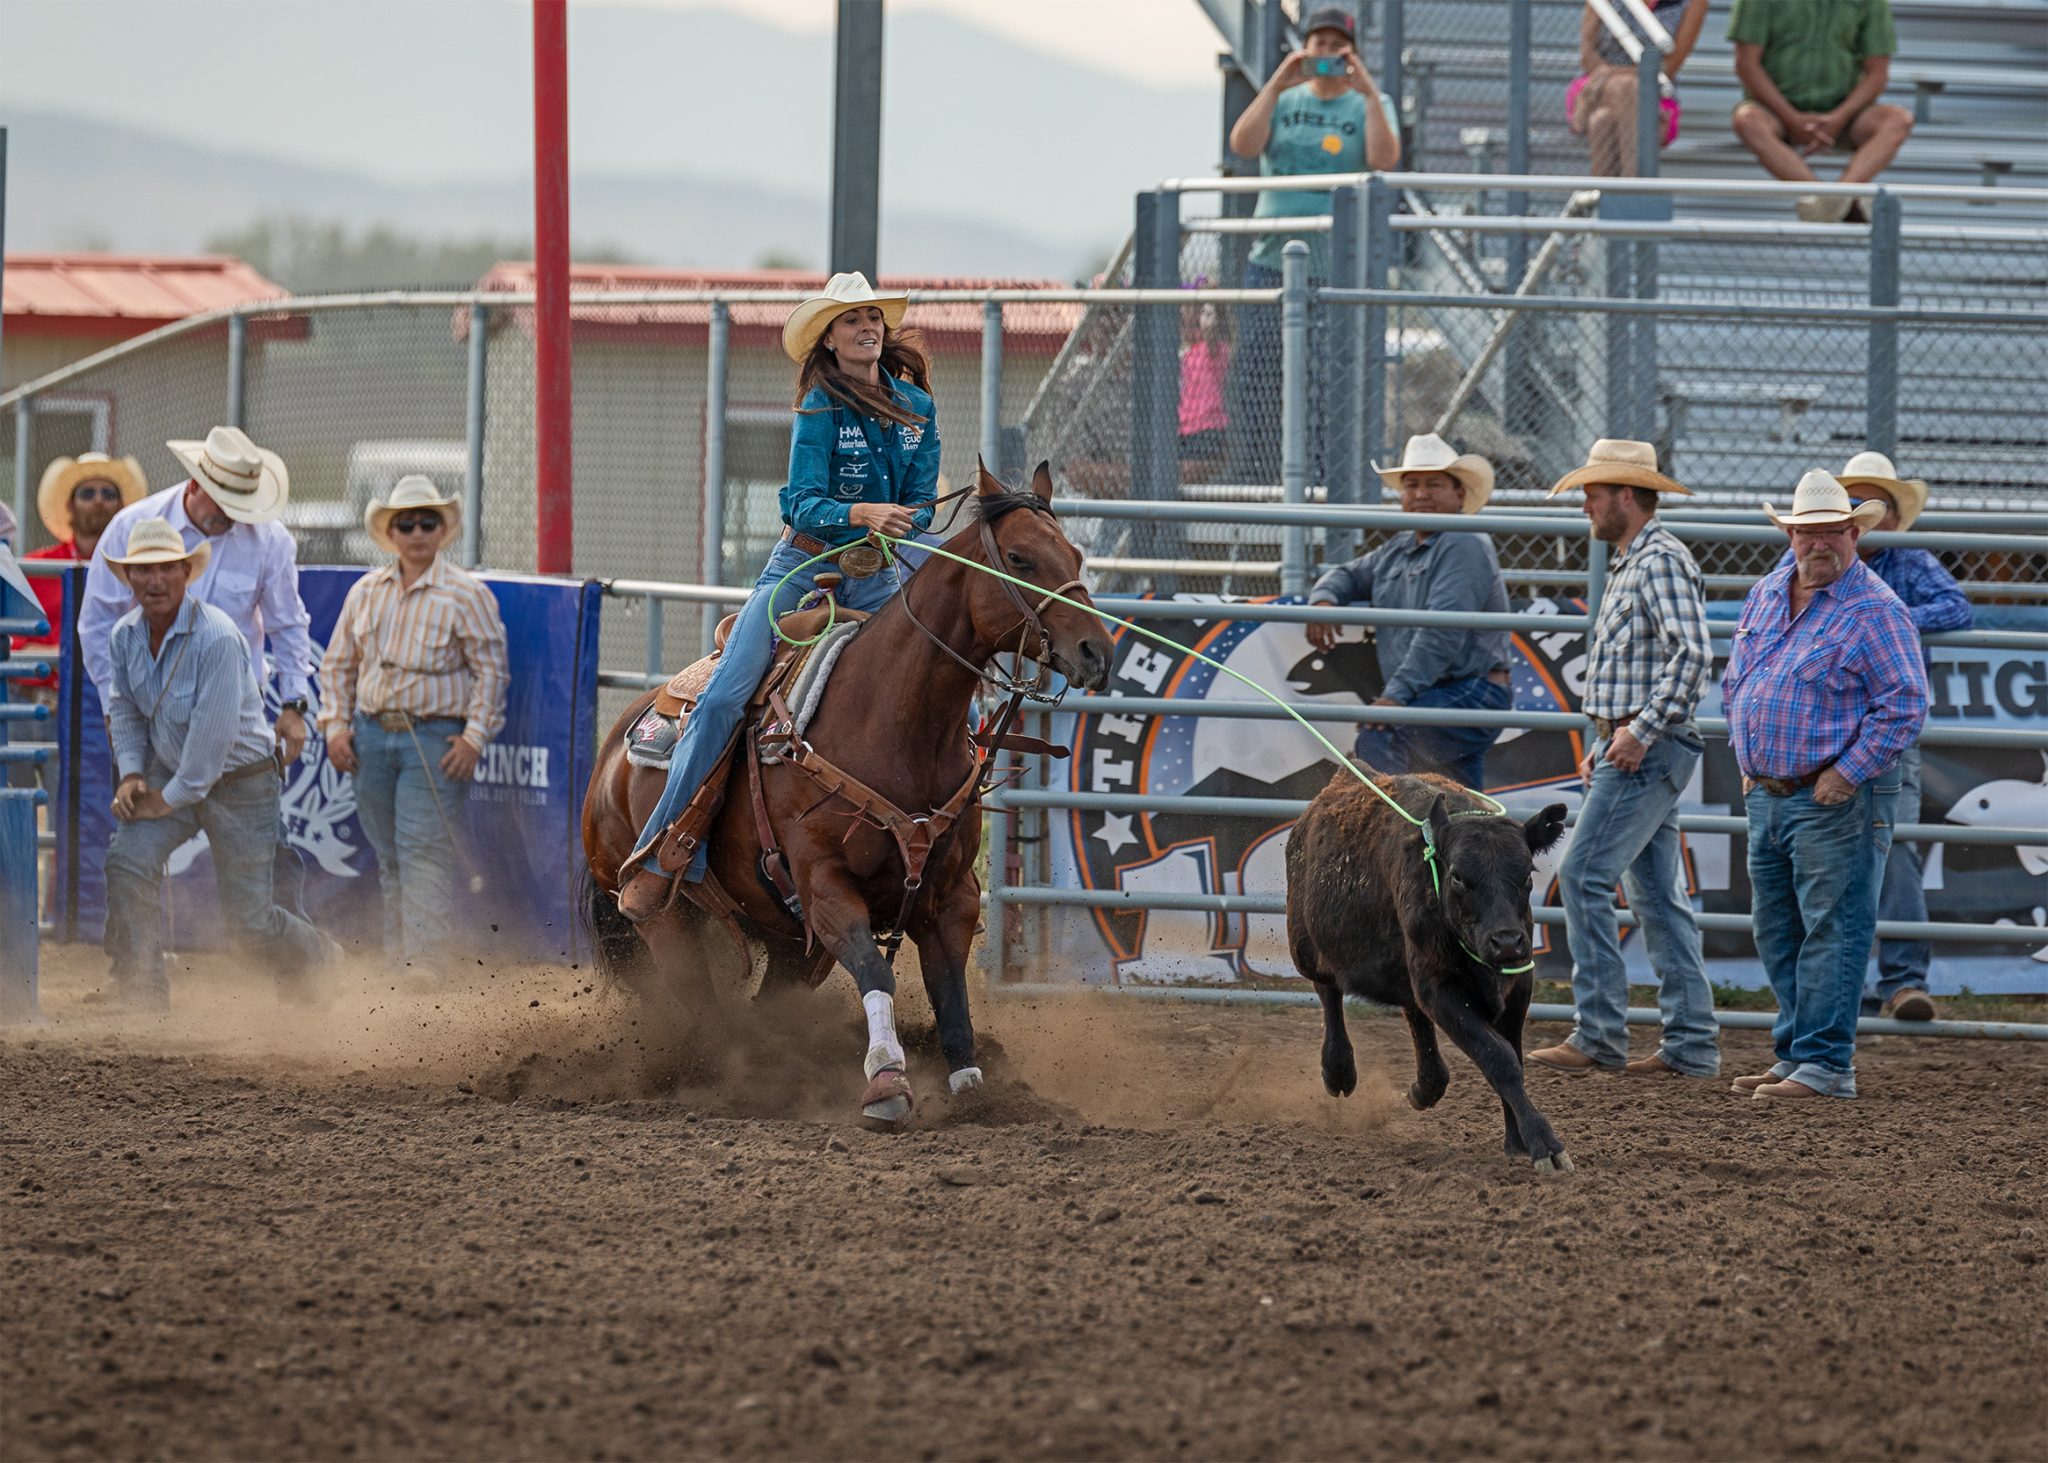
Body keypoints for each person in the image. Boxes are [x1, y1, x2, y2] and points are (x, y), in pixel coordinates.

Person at [616, 272, 941, 924]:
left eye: (872, 316)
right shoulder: (820, 405)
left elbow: (925, 501)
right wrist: (864, 512)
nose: (866, 327)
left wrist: (908, 519)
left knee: (936, 677)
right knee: (724, 696)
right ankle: (661, 850)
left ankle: (944, 855)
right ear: (828, 336)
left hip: (879, 572)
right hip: (804, 562)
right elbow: (798, 502)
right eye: (851, 320)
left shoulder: (916, 411)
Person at [1722, 470, 1928, 1101]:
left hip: (1830, 794)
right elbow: (1737, 679)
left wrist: (1846, 772)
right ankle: (1796, 1054)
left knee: (1831, 929)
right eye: (1806, 532)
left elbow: (1906, 704)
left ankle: (1827, 1064)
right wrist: (1745, 752)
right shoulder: (1767, 592)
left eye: (1831, 532)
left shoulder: (1875, 610)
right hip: (1772, 790)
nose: (1819, 543)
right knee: (1780, 930)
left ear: (1853, 534)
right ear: (1789, 534)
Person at [1526, 441, 1717, 1080]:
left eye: (1593, 493)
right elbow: (1669, 662)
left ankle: (1601, 1032)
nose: (1585, 504)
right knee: (1658, 899)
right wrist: (1616, 735)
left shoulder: (1656, 560)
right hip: (1637, 746)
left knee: (1582, 876)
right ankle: (1690, 1045)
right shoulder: (1638, 560)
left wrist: (1635, 732)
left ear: (1625, 497)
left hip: (1645, 748)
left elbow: (1692, 657)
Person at [99, 519, 337, 1008]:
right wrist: (131, 772)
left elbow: (210, 746)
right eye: (143, 570)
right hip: (175, 774)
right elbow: (122, 708)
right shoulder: (124, 636)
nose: (155, 580)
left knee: (250, 925)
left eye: (167, 568)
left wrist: (161, 800)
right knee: (127, 859)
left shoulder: (219, 638)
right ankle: (143, 992)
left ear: (187, 573)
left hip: (240, 783)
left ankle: (321, 956)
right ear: (129, 579)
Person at [79, 427, 315, 914]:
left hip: (233, 732)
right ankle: (134, 977)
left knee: (269, 859)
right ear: (194, 485)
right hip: (152, 724)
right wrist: (113, 706)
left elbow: (289, 626)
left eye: (240, 503)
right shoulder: (132, 526)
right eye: (225, 501)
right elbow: (98, 625)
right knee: (131, 857)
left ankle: (300, 974)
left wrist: (294, 706)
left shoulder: (269, 540)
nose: (231, 515)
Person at [318, 476, 509, 976]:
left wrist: (473, 737)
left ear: (444, 531)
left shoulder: (466, 595)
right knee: (390, 855)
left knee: (422, 848)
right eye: (407, 523)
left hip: (432, 736)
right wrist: (335, 727)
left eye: (429, 522)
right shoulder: (365, 593)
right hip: (370, 735)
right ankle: (399, 961)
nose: (418, 532)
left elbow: (492, 670)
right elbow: (337, 666)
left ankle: (423, 965)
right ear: (392, 533)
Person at [1225, 4, 1401, 484]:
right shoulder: (1285, 98)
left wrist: (1365, 92)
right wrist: (1278, 82)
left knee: (1327, 376)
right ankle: (1259, 474)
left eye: (1336, 45)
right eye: (1317, 44)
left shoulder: (1370, 102)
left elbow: (1384, 158)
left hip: (1334, 263)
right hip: (1271, 256)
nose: (1326, 53)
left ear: (1353, 51)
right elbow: (1243, 143)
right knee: (1259, 370)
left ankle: (1324, 475)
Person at [1834, 451, 1969, 1021]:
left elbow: (1956, 608)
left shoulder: (1905, 561)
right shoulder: (1826, 557)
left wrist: (1885, 616)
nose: (1862, 513)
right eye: (1854, 502)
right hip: (1831, 725)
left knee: (1891, 846)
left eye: (1872, 503)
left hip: (1884, 724)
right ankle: (1849, 984)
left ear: (1890, 516)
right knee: (1835, 854)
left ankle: (1901, 981)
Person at [1305, 433, 1511, 789]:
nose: (1421, 494)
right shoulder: (1400, 548)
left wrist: (1394, 698)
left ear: (1459, 495)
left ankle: (1393, 841)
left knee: (1382, 737)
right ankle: (1459, 839)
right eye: (1411, 485)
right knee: (1457, 794)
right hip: (1446, 693)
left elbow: (1441, 633)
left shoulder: (1463, 543)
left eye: (1434, 484)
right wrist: (1324, 600)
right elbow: (1348, 575)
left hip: (1469, 691)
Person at [1728, 0, 1914, 222]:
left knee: (1897, 120)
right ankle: (1835, 199)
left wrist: (1839, 117)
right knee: (1747, 120)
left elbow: (1878, 73)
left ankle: (1832, 199)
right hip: (1775, 111)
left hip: (1845, 113)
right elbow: (1746, 64)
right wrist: (1791, 118)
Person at [12, 454, 149, 707]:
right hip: (41, 706)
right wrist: (66, 657)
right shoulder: (38, 568)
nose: (99, 500)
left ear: (122, 506)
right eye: (87, 493)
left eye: (109, 494)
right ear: (70, 505)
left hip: (113, 702)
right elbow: (14, 643)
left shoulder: (143, 568)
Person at [1567, 0, 1709, 177]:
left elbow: (1671, 65)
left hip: (1655, 93)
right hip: (1596, 87)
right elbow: (1587, 54)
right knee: (1626, 89)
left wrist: (1611, 73)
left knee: (1603, 121)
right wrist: (1617, 79)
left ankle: (1606, 197)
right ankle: (1635, 190)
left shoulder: (1694, 2)